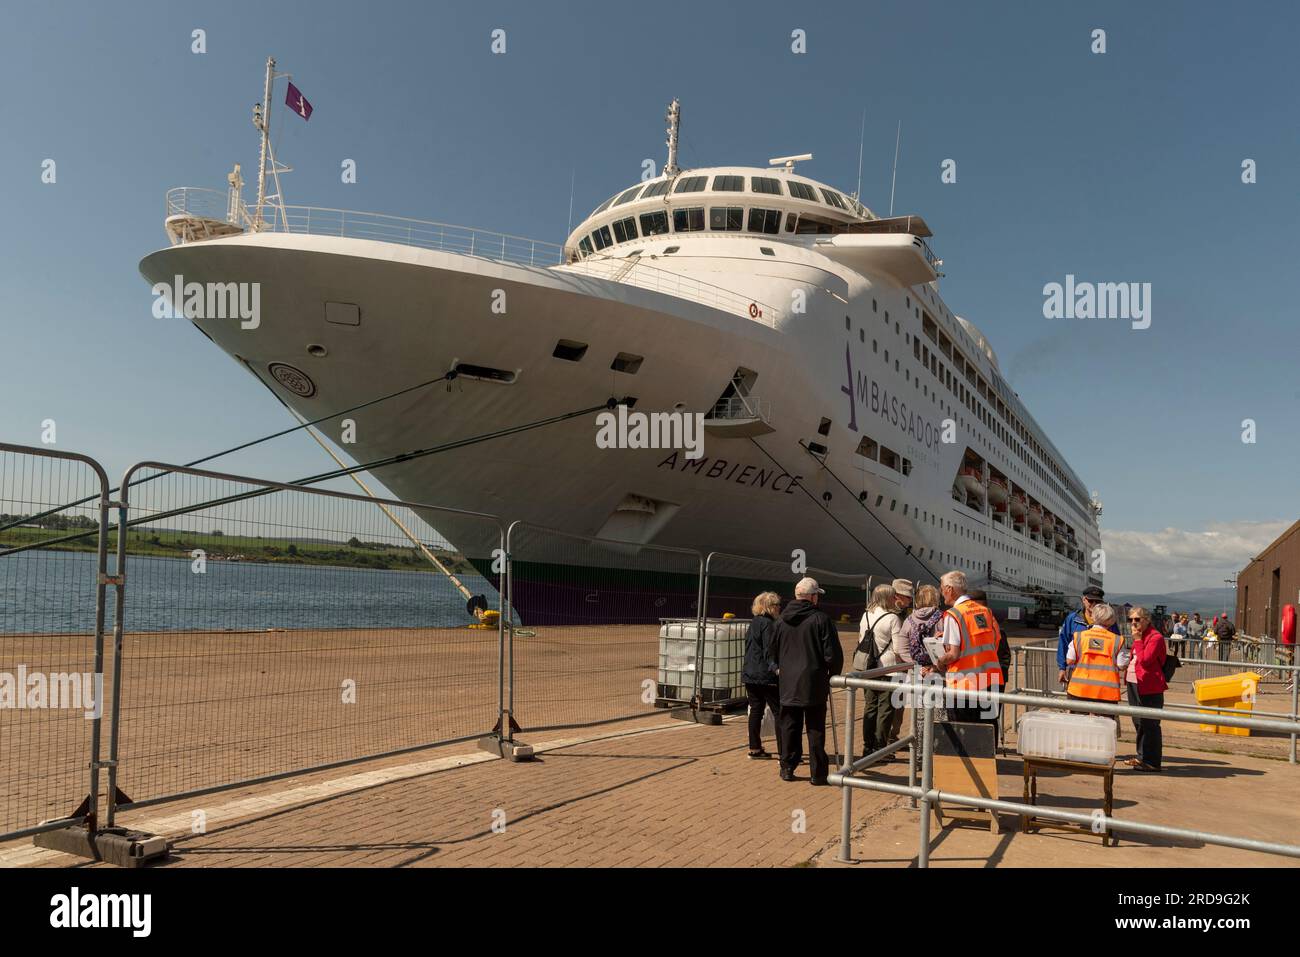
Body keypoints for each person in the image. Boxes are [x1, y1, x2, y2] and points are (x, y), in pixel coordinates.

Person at [772, 577, 843, 785]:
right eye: (817, 595)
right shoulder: (821, 619)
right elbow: (833, 654)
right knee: (815, 729)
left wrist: (779, 670)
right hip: (814, 682)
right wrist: (832, 675)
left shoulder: (780, 620)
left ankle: (787, 767)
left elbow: (772, 652)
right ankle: (818, 773)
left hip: (787, 683)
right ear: (812, 597)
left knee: (789, 726)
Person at [931, 571, 1004, 723]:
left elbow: (953, 654)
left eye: (941, 588)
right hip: (990, 679)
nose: (941, 592)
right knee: (986, 729)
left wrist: (939, 661)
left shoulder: (954, 614)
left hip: (964, 683)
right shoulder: (985, 611)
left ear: (949, 589)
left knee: (964, 732)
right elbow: (994, 641)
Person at [854, 584, 903, 758]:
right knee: (886, 709)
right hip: (888, 668)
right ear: (887, 598)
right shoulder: (893, 618)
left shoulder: (866, 615)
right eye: (893, 596)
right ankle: (881, 748)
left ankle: (867, 746)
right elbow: (898, 648)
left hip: (868, 668)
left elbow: (861, 639)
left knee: (870, 707)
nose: (895, 599)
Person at [1124, 606, 1168, 771]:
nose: (1133, 623)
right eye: (1131, 619)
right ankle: (1142, 757)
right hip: (1134, 682)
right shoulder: (1140, 637)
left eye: (1137, 619)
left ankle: (1152, 761)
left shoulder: (1154, 637)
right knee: (1138, 722)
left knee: (1150, 723)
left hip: (1149, 685)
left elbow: (1146, 660)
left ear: (1147, 620)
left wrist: (1137, 641)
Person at [742, 591, 782, 760]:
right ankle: (785, 750)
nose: (780, 608)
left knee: (756, 710)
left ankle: (754, 747)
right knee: (779, 711)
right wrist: (776, 669)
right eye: (777, 605)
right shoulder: (769, 624)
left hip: (750, 673)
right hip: (766, 675)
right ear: (769, 607)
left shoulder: (754, 623)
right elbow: (769, 650)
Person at [1065, 602, 1129, 708]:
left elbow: (1069, 660)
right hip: (1106, 693)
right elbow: (1121, 665)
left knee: (1078, 723)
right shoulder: (1117, 640)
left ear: (1093, 617)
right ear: (1112, 621)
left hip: (1079, 690)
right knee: (1103, 724)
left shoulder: (1079, 637)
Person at [1057, 586, 1116, 688]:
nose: (1093, 604)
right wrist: (1062, 668)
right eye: (1091, 600)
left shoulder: (1109, 620)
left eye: (1097, 602)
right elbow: (1063, 642)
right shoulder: (1073, 619)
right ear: (1084, 600)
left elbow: (1115, 643)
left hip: (1102, 673)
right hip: (1076, 671)